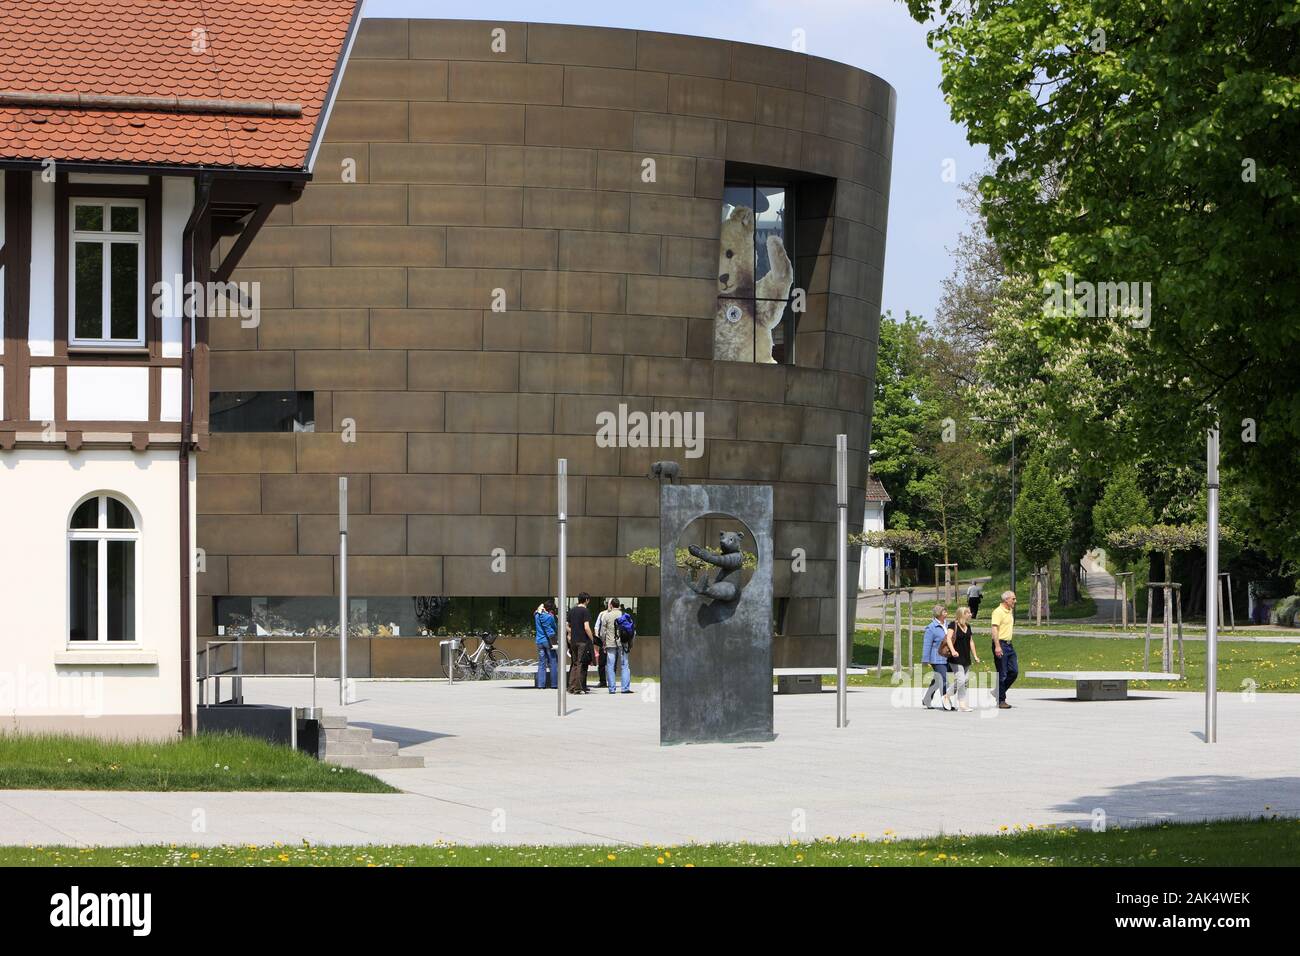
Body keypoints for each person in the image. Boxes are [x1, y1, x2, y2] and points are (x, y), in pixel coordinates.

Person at [945, 605, 979, 712]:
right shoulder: (953, 625)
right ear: (963, 614)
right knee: (960, 679)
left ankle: (962, 705)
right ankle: (947, 695)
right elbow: (948, 639)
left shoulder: (968, 627)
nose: (970, 614)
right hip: (955, 658)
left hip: (966, 657)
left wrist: (975, 655)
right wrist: (953, 651)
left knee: (965, 681)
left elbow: (971, 642)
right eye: (968, 613)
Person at [920, 604, 952, 710]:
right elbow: (927, 644)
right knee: (943, 678)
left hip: (947, 656)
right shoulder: (931, 627)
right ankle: (946, 702)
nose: (946, 613)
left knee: (938, 679)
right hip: (936, 658)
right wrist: (925, 659)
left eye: (946, 611)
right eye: (944, 611)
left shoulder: (948, 625)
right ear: (938, 613)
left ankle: (927, 699)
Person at [990, 589, 1018, 709]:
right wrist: (997, 646)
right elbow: (994, 629)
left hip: (1009, 645)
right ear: (1006, 600)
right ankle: (1001, 700)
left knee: (1014, 672)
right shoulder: (998, 612)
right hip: (1000, 644)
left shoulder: (1009, 610)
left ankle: (998, 692)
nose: (1015, 601)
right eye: (1013, 599)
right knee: (1002, 674)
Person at [595, 599, 628, 695]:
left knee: (610, 665)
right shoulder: (624, 615)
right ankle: (625, 688)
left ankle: (612, 688)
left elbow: (602, 632)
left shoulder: (606, 615)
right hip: (623, 643)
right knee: (625, 665)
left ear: (611, 605)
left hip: (610, 643)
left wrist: (603, 643)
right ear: (619, 605)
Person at [566, 592, 595, 694]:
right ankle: (578, 688)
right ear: (586, 600)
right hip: (582, 641)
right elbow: (586, 627)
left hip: (573, 641)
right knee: (580, 664)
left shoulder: (572, 611)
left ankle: (571, 686)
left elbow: (567, 626)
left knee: (574, 663)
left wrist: (572, 632)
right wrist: (592, 638)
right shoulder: (585, 611)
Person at [533, 601, 558, 689]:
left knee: (541, 663)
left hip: (539, 641)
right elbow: (555, 627)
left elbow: (536, 611)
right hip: (548, 641)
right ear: (551, 609)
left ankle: (541, 685)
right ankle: (554, 684)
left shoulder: (536, 615)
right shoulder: (549, 617)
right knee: (553, 662)